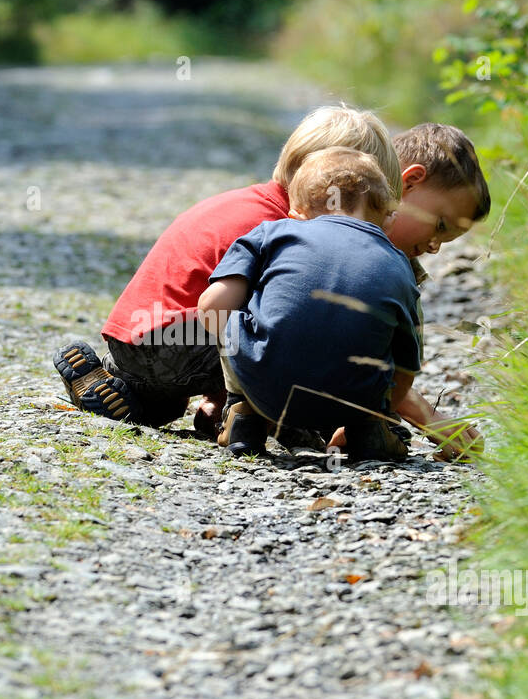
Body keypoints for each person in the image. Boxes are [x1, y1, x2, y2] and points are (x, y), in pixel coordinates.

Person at [53, 104, 399, 445]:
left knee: (162, 409)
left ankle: (110, 380)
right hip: (175, 341)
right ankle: (258, 416)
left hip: (141, 336)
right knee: (290, 334)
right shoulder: (283, 230)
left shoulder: (249, 201)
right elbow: (279, 320)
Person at [197, 149, 421, 459]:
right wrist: (380, 408)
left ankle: (243, 415)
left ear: (296, 213)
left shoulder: (273, 232)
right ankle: (370, 426)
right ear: (388, 219)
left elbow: (212, 308)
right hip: (354, 402)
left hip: (268, 393)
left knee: (235, 315)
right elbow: (408, 363)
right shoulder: (399, 262)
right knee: (390, 327)